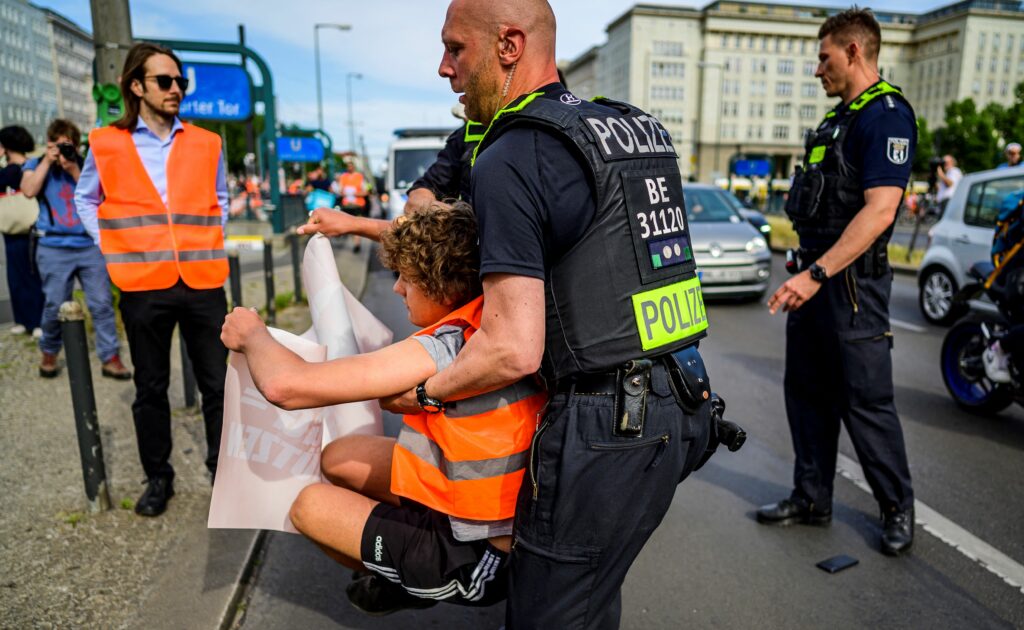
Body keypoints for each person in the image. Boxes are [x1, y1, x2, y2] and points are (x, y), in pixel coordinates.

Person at [398, 2, 715, 627]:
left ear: (509, 45)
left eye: (456, 49)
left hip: (606, 426)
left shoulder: (510, 154)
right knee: (591, 595)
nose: (444, 68)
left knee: (550, 615)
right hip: (685, 402)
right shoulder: (630, 127)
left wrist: (423, 392)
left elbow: (511, 347)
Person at [221, 201, 544, 614]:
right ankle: (401, 557)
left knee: (306, 506)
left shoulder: (443, 347)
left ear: (439, 287)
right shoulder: (499, 317)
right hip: (477, 505)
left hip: (477, 555)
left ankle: (406, 580)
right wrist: (353, 224)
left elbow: (287, 386)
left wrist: (252, 334)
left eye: (405, 279)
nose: (396, 289)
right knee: (339, 457)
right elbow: (437, 241)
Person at [761, 8, 916, 557]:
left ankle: (897, 509)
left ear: (854, 51)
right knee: (806, 396)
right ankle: (811, 498)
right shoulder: (835, 123)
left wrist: (817, 273)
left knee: (866, 403)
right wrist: (805, 268)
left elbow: (879, 213)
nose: (816, 69)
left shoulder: (887, 116)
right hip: (814, 282)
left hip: (850, 290)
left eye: (824, 57)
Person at [75, 42, 230, 517]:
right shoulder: (105, 142)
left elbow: (220, 198)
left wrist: (207, 238)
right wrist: (112, 247)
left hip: (203, 279)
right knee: (150, 388)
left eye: (180, 81)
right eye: (165, 81)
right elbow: (86, 200)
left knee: (220, 385)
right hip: (142, 283)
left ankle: (224, 474)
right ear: (136, 86)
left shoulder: (207, 142)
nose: (176, 89)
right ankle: (158, 478)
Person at [21, 119, 130, 380]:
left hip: (88, 245)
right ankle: (49, 351)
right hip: (53, 246)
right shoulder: (36, 164)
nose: (64, 150)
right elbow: (28, 190)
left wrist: (73, 169)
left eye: (69, 145)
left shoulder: (86, 165)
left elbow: (101, 197)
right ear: (50, 143)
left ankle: (110, 357)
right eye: (59, 144)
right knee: (54, 304)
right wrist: (47, 161)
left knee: (102, 303)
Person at [0, 125, 44, 338]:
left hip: (24, 226)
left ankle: (34, 320)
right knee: (20, 274)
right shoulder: (26, 166)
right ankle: (26, 320)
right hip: (16, 227)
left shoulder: (24, 167)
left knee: (27, 273)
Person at [335, 161, 369, 252]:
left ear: (354, 167)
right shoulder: (343, 177)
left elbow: (365, 192)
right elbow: (340, 191)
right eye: (348, 166)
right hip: (347, 205)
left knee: (357, 225)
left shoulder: (360, 177)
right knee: (348, 226)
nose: (349, 168)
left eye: (351, 166)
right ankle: (352, 241)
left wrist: (356, 193)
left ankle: (357, 244)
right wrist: (344, 193)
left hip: (357, 205)